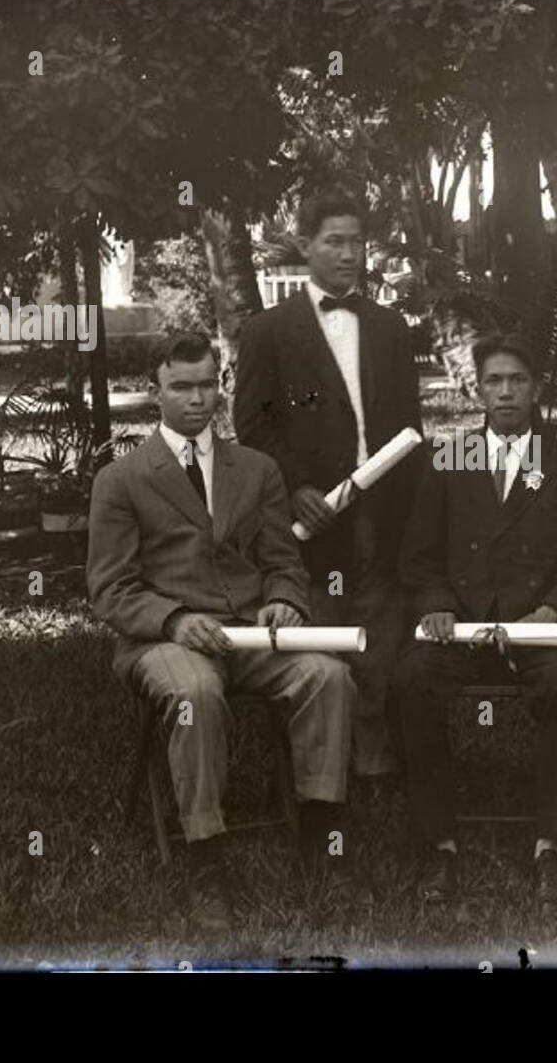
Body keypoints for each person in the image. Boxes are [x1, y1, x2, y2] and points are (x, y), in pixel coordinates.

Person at [88, 331, 356, 931]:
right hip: (163, 640)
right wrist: (176, 619)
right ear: (153, 391)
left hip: (252, 634)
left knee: (329, 676)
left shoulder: (257, 469)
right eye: (181, 387)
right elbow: (110, 590)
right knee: (196, 695)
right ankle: (205, 858)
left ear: (222, 386)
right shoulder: (122, 479)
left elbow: (285, 562)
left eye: (208, 384)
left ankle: (319, 834)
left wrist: (285, 600)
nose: (196, 398)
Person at [394, 335, 557, 909]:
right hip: (458, 628)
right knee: (412, 680)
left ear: (536, 388)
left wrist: (552, 611)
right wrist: (436, 603)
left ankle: (551, 846)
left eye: (517, 380)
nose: (505, 391)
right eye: (493, 381)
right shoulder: (449, 457)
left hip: (536, 630)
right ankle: (438, 842)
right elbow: (417, 557)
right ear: (476, 389)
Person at [234, 191, 422, 781]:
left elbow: (411, 423)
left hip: (382, 499)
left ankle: (376, 754)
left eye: (357, 242)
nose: (348, 253)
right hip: (311, 510)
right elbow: (252, 423)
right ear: (306, 245)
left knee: (382, 624)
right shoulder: (268, 330)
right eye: (334, 241)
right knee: (321, 620)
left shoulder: (390, 327)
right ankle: (319, 761)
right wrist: (295, 488)